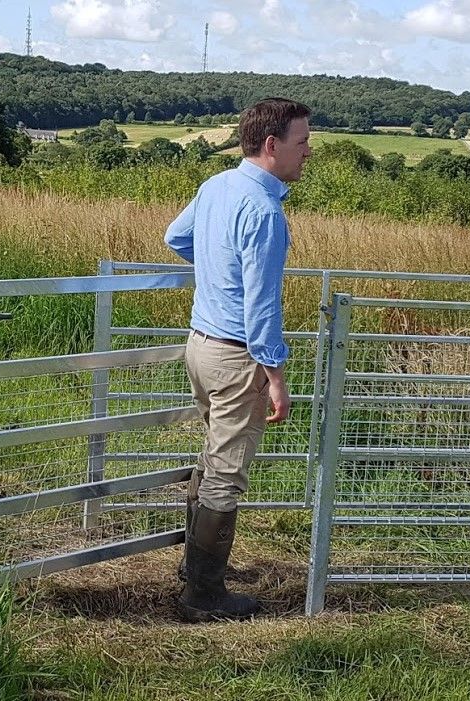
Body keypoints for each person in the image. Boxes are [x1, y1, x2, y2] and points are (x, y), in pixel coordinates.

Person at [164, 97, 312, 622]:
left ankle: (193, 572)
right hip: (235, 358)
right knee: (226, 475)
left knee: (211, 461)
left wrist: (214, 267)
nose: (307, 153)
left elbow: (175, 237)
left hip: (200, 346)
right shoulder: (265, 212)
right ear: (271, 145)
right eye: (302, 142)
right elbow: (262, 305)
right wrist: (275, 374)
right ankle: (203, 596)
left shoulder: (215, 186)